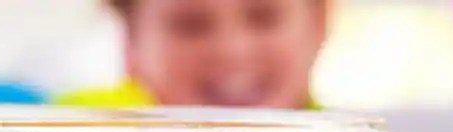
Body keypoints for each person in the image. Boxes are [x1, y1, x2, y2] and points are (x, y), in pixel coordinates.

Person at [59, 0, 326, 109]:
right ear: (131, 44)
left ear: (319, 22)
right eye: (191, 25)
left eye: (264, 18)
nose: (232, 50)